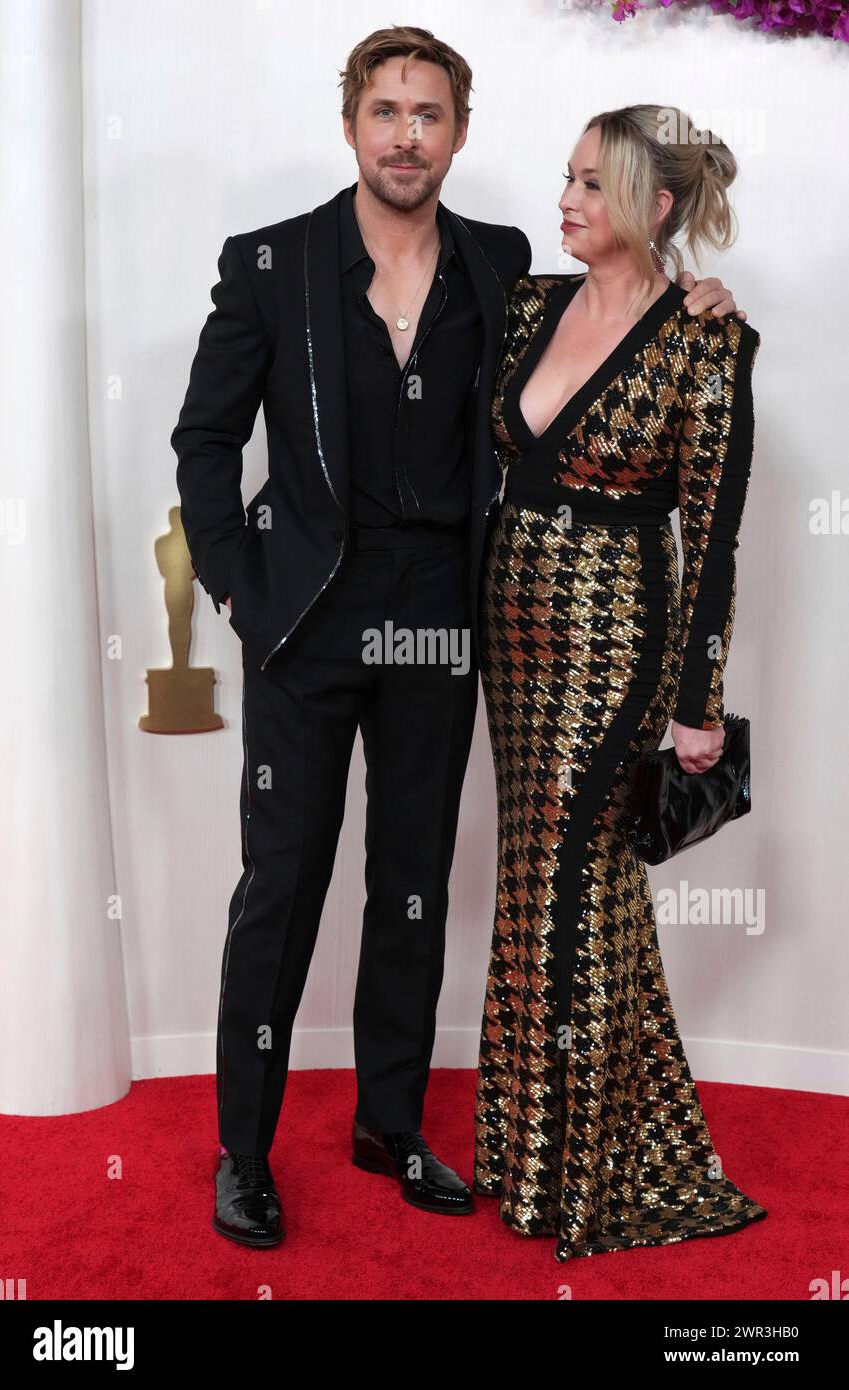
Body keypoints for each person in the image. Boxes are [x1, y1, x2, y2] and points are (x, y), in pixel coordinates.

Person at [170, 27, 741, 1249]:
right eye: (384, 110)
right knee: (282, 883)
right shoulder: (269, 263)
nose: (404, 135)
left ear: (458, 133)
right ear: (350, 124)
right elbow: (203, 444)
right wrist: (234, 590)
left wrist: (696, 290)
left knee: (414, 881)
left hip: (441, 617)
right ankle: (243, 1151)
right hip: (303, 624)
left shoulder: (502, 269)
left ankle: (388, 1121)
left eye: (427, 114)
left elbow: (616, 316)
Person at [473, 105, 768, 1261]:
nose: (566, 202)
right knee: (532, 875)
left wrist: (698, 700)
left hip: (620, 641)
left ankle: (584, 1176)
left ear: (653, 205)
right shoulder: (528, 305)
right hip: (512, 632)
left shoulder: (705, 341)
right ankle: (530, 1145)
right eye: (565, 180)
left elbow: (714, 529)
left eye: (593, 186)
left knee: (573, 888)